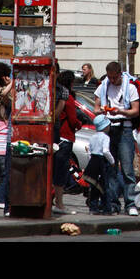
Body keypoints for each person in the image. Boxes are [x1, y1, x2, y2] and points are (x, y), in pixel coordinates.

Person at [95, 61, 139, 199]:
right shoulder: (103, 86)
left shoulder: (130, 87)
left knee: (127, 168)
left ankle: (130, 203)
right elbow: (95, 108)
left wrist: (121, 112)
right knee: (111, 167)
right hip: (109, 128)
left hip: (124, 128)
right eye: (110, 77)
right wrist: (102, 110)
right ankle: (112, 203)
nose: (112, 80)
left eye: (114, 77)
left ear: (120, 74)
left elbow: (135, 111)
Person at [52, 71, 83, 215]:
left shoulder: (56, 95)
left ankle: (55, 200)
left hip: (58, 137)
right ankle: (59, 203)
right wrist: (79, 124)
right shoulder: (67, 98)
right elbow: (72, 119)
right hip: (66, 137)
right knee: (61, 172)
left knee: (55, 170)